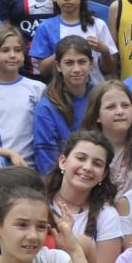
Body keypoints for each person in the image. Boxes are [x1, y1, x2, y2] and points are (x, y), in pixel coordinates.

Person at [30, 37, 97, 173]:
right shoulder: (46, 107)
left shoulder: (100, 97)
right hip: (62, 183)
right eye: (69, 63)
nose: (76, 69)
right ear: (58, 66)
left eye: (82, 62)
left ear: (91, 63)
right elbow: (46, 160)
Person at [0, 25, 44, 159]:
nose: (12, 55)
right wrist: (6, 154)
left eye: (18, 50)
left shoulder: (38, 88)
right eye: (5, 50)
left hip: (30, 167)